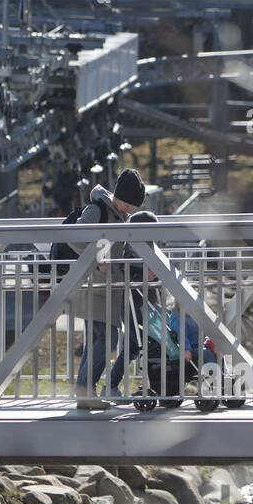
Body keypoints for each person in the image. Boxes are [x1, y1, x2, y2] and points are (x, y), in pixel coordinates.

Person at [70, 168, 146, 408]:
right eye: (129, 205)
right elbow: (75, 238)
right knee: (108, 338)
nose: (130, 211)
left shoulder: (118, 216)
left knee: (96, 339)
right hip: (95, 286)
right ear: (118, 196)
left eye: (134, 208)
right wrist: (99, 259)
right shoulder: (98, 210)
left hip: (108, 289)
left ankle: (85, 392)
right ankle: (84, 391)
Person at [105, 209, 158, 398]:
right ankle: (150, 385)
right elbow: (124, 267)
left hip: (146, 305)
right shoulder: (127, 249)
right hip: (130, 304)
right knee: (141, 343)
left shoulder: (150, 247)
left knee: (134, 345)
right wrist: (143, 271)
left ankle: (111, 385)